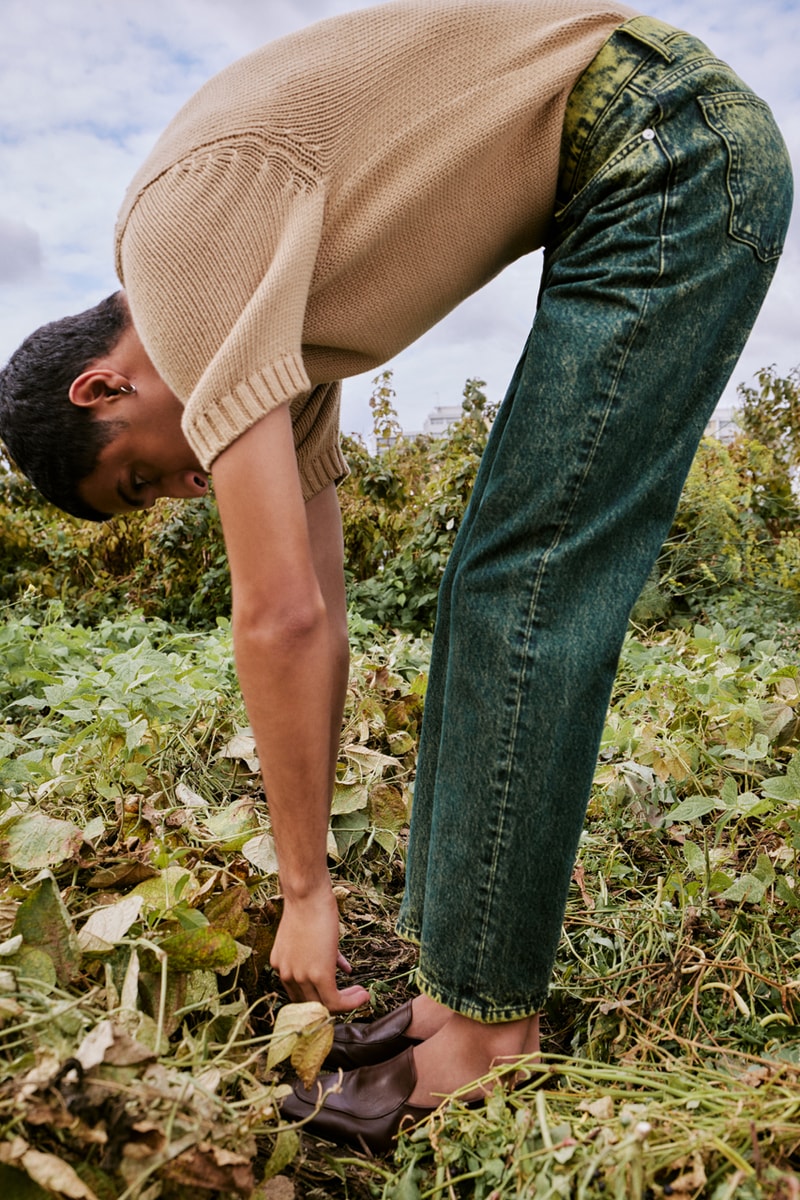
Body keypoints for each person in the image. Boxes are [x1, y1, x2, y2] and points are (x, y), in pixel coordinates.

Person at [0, 0, 792, 1157]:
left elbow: (272, 613)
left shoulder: (178, 255)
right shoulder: (266, 326)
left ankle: (483, 1036)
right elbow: (317, 613)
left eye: (138, 480)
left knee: (524, 581)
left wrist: (305, 895)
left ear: (101, 390)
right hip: (642, 152)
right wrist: (307, 866)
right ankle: (450, 996)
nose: (181, 491)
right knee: (489, 585)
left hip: (665, 142)